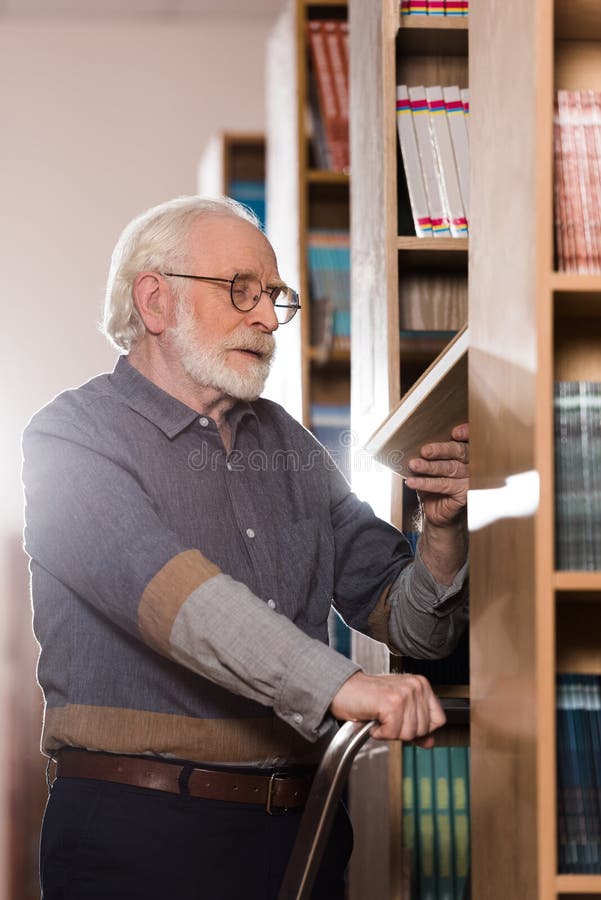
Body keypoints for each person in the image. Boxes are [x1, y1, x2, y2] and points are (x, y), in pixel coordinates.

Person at [22, 196, 469, 900]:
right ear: (155, 300)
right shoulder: (70, 437)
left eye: (273, 298)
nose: (266, 317)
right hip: (139, 835)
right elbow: (171, 595)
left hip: (303, 830)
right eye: (241, 291)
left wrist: (440, 534)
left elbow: (413, 624)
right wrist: (341, 685)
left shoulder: (288, 442)